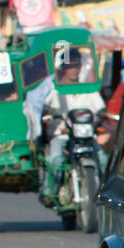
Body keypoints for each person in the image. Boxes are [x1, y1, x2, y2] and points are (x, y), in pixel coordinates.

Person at [37, 49, 106, 205]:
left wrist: (97, 121)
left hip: (86, 137)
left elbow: (100, 110)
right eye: (70, 66)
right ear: (62, 69)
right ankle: (50, 193)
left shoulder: (89, 89)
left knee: (103, 160)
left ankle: (106, 195)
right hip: (61, 136)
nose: (74, 69)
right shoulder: (55, 90)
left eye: (76, 65)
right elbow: (44, 108)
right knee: (55, 160)